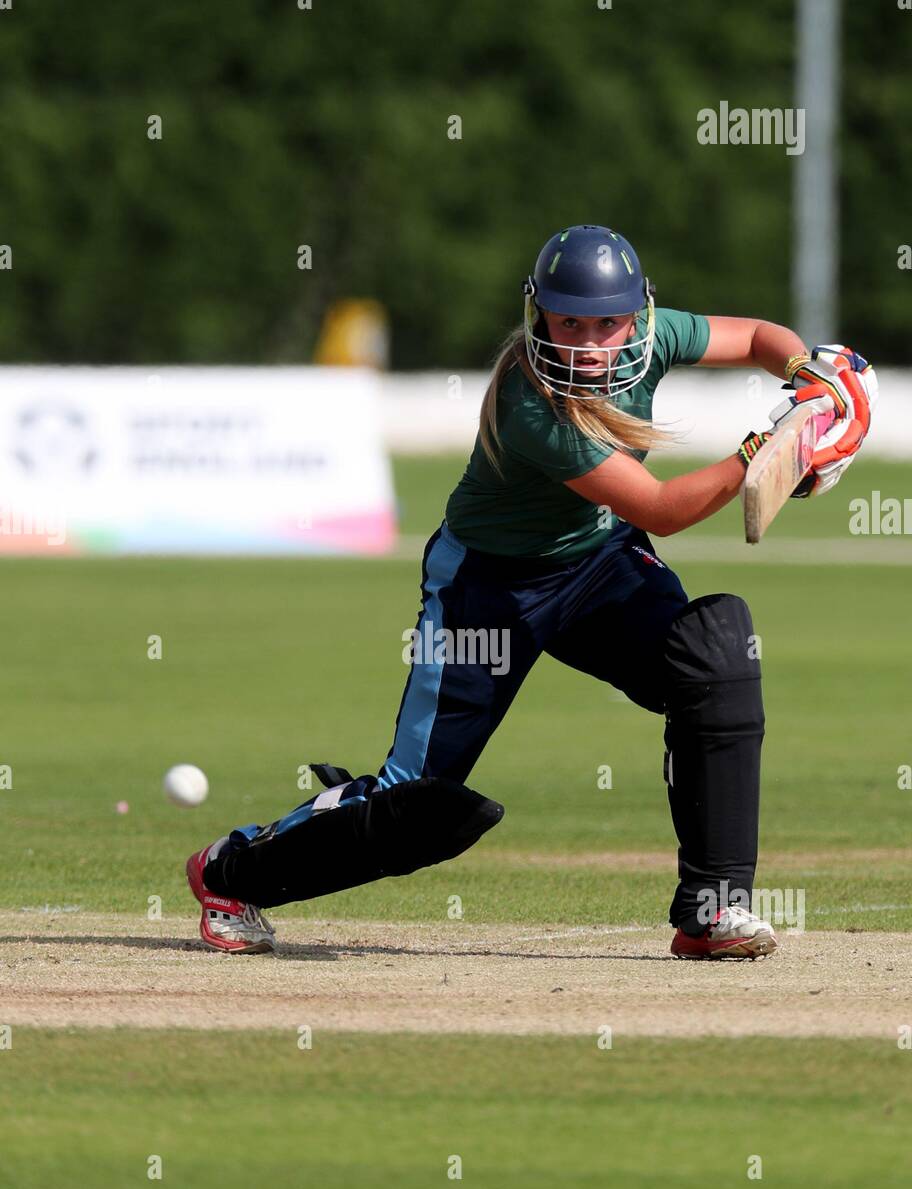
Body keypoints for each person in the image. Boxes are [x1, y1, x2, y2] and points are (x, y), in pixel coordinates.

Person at [186, 224, 876, 957]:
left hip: (598, 565)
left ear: (638, 314)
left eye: (606, 323)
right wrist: (770, 448)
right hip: (487, 591)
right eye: (567, 320)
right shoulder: (532, 404)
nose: (586, 341)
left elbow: (761, 336)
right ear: (536, 312)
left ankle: (711, 913)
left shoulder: (653, 335)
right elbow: (662, 511)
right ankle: (231, 870)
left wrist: (807, 374)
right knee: (417, 808)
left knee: (718, 652)